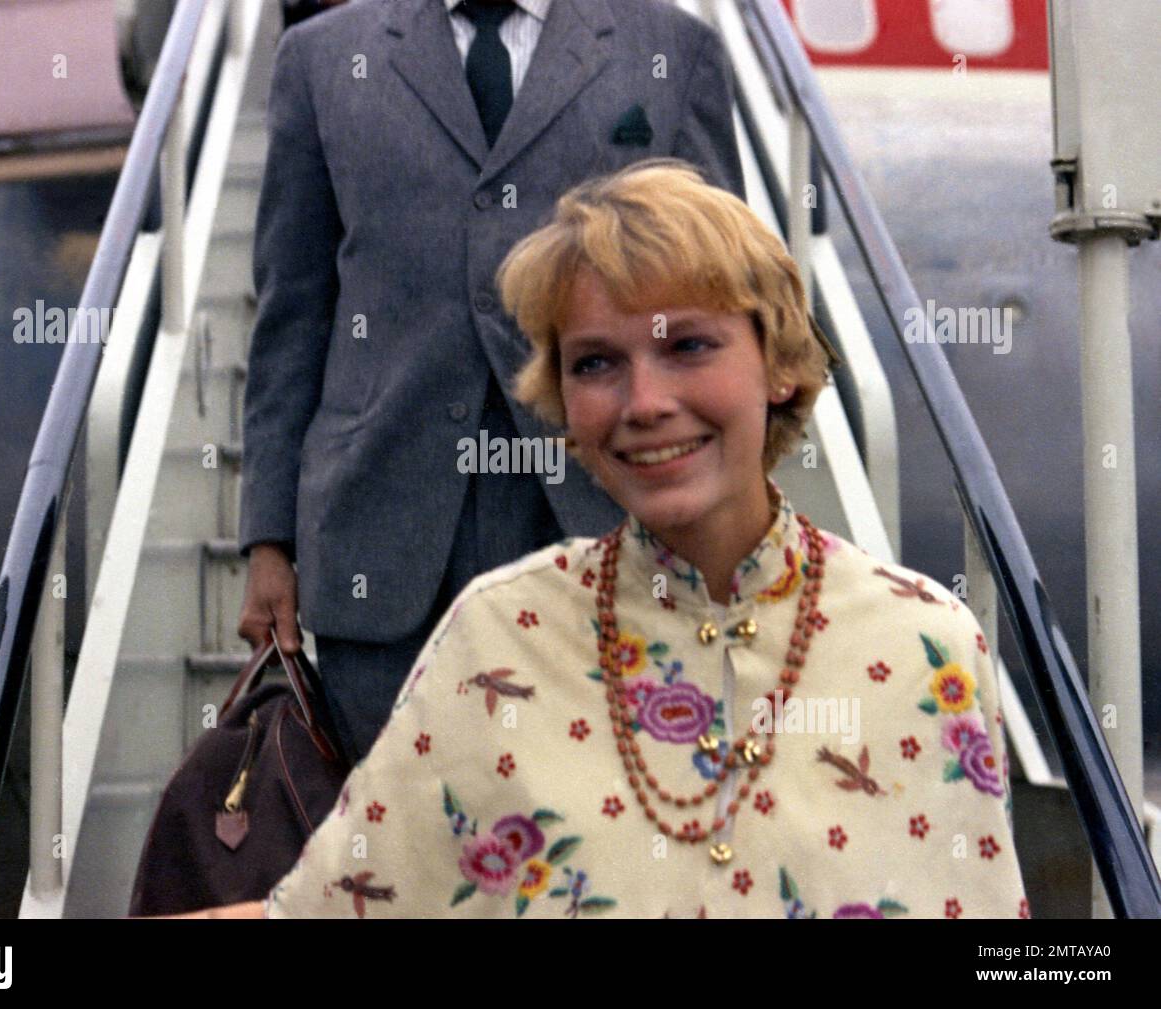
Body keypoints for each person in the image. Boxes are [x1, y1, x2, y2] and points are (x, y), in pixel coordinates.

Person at [189, 159, 1028, 918]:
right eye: (595, 363)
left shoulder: (925, 642)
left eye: (689, 345)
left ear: (778, 362)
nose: (644, 401)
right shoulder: (501, 637)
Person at [237, 0, 746, 765]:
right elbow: (292, 314)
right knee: (395, 864)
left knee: (607, 841)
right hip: (382, 539)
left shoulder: (674, 50)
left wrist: (731, 521)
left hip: (608, 516)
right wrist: (269, 538)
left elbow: (723, 309)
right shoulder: (321, 60)